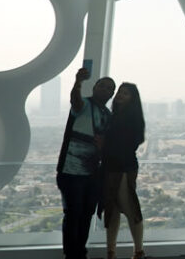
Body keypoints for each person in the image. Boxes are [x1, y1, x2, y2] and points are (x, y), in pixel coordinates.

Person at [57, 68, 116, 259]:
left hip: (92, 174)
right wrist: (78, 81)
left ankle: (79, 252)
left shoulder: (107, 115)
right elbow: (75, 100)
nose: (105, 89)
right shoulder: (84, 105)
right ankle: (71, 254)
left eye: (109, 88)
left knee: (86, 214)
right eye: (102, 85)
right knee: (73, 214)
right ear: (94, 88)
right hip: (71, 171)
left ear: (112, 94)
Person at [102, 83, 146, 259]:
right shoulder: (114, 116)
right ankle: (112, 251)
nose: (120, 95)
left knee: (129, 207)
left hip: (123, 167)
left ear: (132, 99)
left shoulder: (129, 119)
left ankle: (138, 251)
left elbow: (126, 144)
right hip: (111, 167)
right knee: (112, 209)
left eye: (125, 93)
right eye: (120, 92)